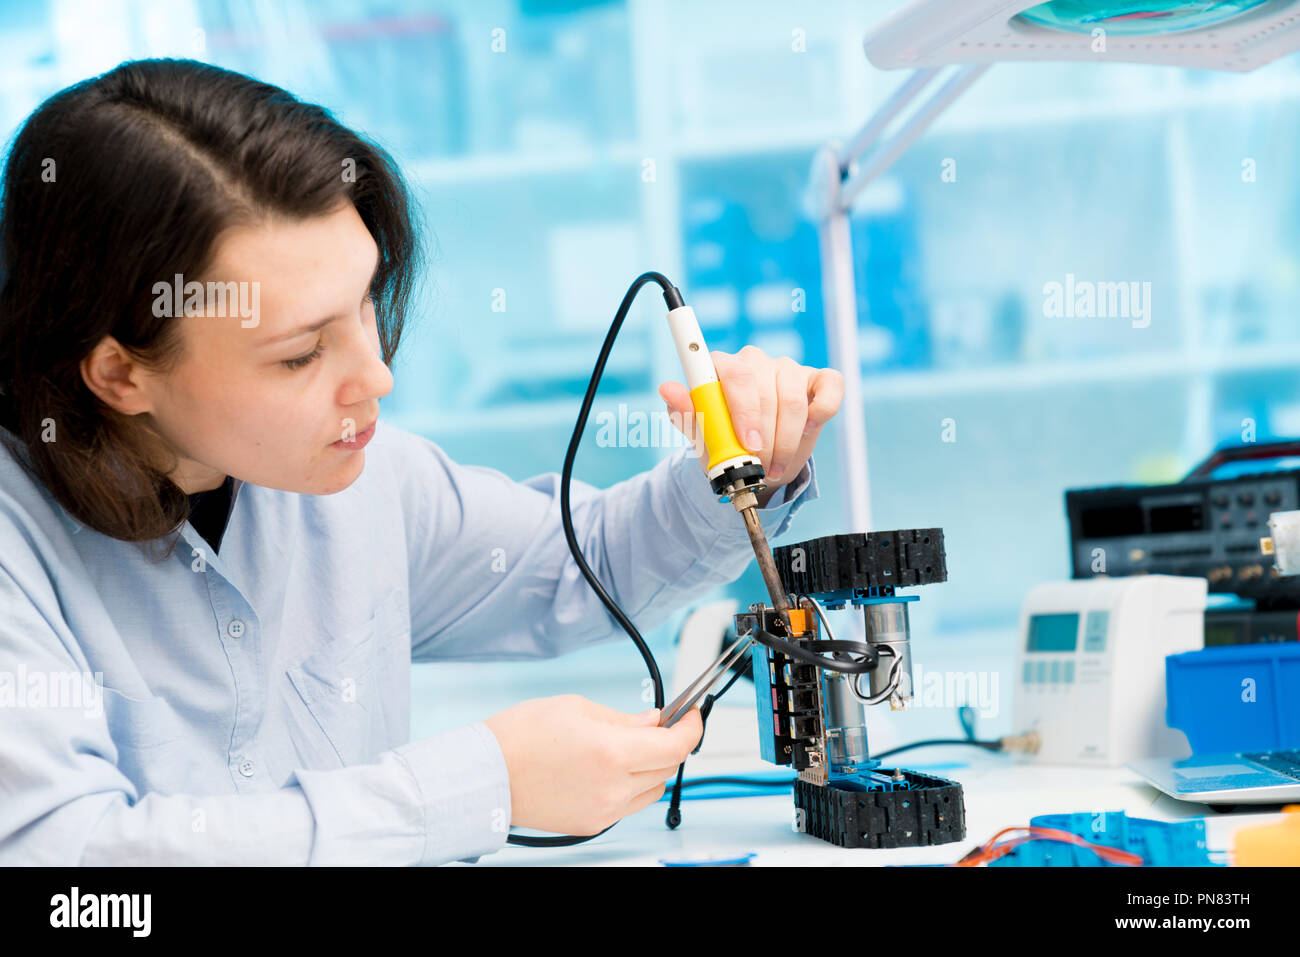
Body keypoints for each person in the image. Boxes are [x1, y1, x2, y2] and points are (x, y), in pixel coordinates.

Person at [0, 58, 842, 865]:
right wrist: (486, 785)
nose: (377, 377)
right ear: (120, 372)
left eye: (364, 304)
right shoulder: (17, 548)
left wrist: (742, 463)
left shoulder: (347, 473)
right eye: (300, 354)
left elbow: (581, 566)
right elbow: (68, 863)